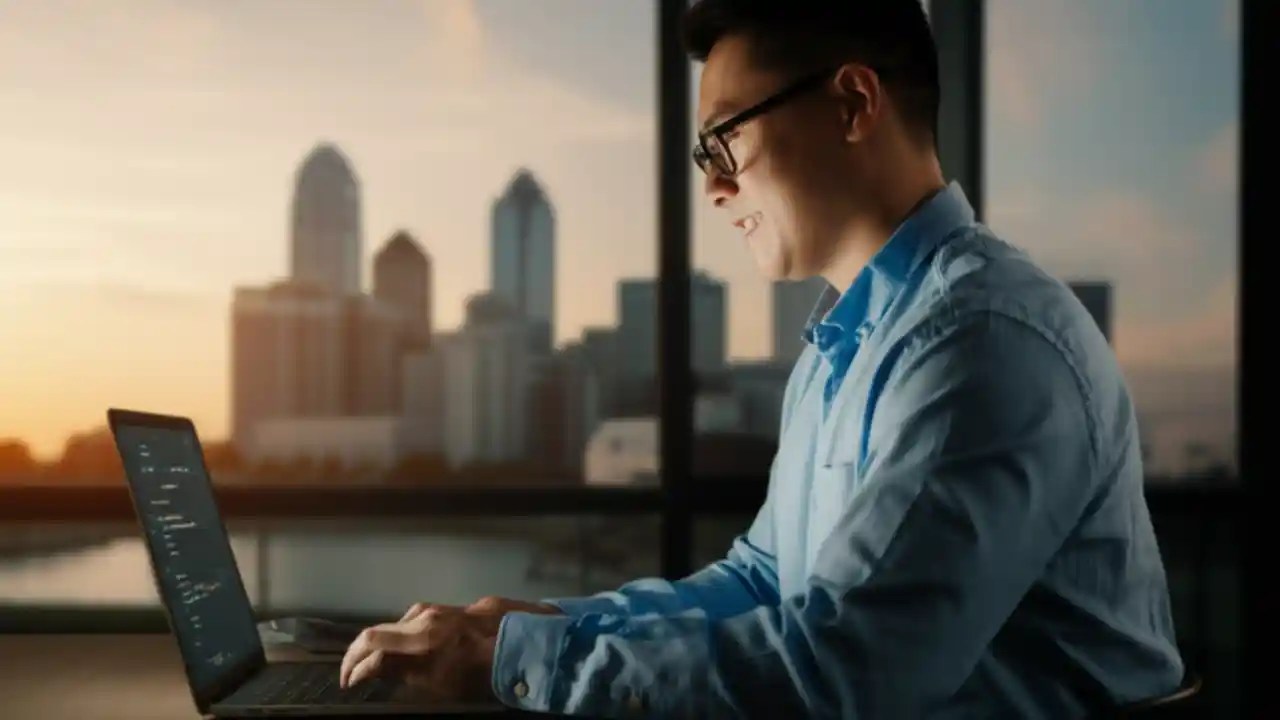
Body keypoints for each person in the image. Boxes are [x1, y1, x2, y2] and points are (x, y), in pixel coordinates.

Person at [339, 1, 1185, 716]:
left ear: (854, 104)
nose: (712, 187)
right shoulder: (848, 344)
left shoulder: (982, 343)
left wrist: (521, 667)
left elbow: (842, 672)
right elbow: (764, 582)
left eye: (722, 144)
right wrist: (520, 628)